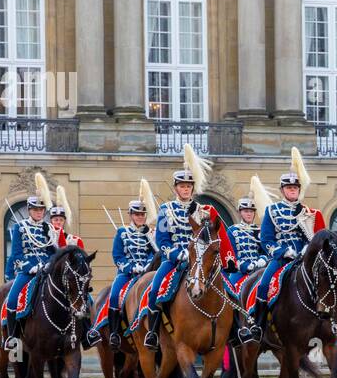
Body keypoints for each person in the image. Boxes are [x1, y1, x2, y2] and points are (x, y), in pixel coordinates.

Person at [141, 147, 248, 351]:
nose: (186, 189)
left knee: (231, 290)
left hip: (200, 260)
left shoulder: (204, 211)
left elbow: (218, 237)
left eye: (189, 186)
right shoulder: (166, 210)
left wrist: (228, 258)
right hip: (174, 261)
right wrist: (176, 253)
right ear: (176, 189)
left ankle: (236, 330)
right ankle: (153, 333)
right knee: (154, 290)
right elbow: (162, 240)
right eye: (182, 186)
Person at [248, 150, 326, 345]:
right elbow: (266, 240)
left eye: (295, 188)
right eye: (289, 188)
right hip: (281, 259)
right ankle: (258, 324)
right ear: (282, 190)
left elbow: (316, 238)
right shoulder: (272, 211)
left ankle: (329, 322)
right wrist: (283, 251)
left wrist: (307, 249)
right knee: (264, 284)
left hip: (303, 259)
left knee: (327, 281)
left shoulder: (308, 212)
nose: (292, 191)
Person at [86, 185, 155, 349]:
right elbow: (117, 256)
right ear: (130, 215)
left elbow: (155, 253)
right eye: (137, 214)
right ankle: (115, 333)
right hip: (127, 274)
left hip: (146, 272)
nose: (140, 217)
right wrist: (131, 267)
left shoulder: (149, 233)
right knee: (115, 295)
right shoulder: (122, 232)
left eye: (142, 214)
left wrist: (146, 265)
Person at [3, 175, 57, 351]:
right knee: (11, 300)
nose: (39, 212)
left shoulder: (48, 228)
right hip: (27, 272)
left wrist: (50, 264)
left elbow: (52, 252)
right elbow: (16, 254)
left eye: (41, 209)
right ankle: (12, 337)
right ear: (29, 210)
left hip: (46, 270)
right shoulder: (19, 227)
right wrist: (30, 267)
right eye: (35, 209)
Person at [225, 196, 268, 292]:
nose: (249, 214)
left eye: (251, 211)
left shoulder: (259, 231)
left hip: (258, 269)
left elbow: (265, 251)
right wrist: (245, 266)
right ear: (240, 212)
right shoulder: (233, 230)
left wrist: (262, 260)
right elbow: (231, 254)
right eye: (246, 211)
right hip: (240, 271)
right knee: (231, 291)